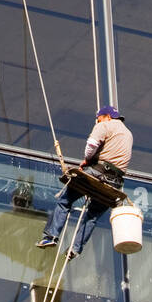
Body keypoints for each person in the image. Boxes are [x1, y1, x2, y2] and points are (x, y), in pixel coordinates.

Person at [36, 104, 133, 259]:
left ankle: (51, 236)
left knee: (65, 200)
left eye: (98, 119)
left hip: (97, 173)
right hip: (115, 182)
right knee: (93, 215)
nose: (97, 122)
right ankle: (75, 249)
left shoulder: (105, 125)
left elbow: (91, 148)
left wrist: (87, 161)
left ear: (107, 116)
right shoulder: (128, 134)